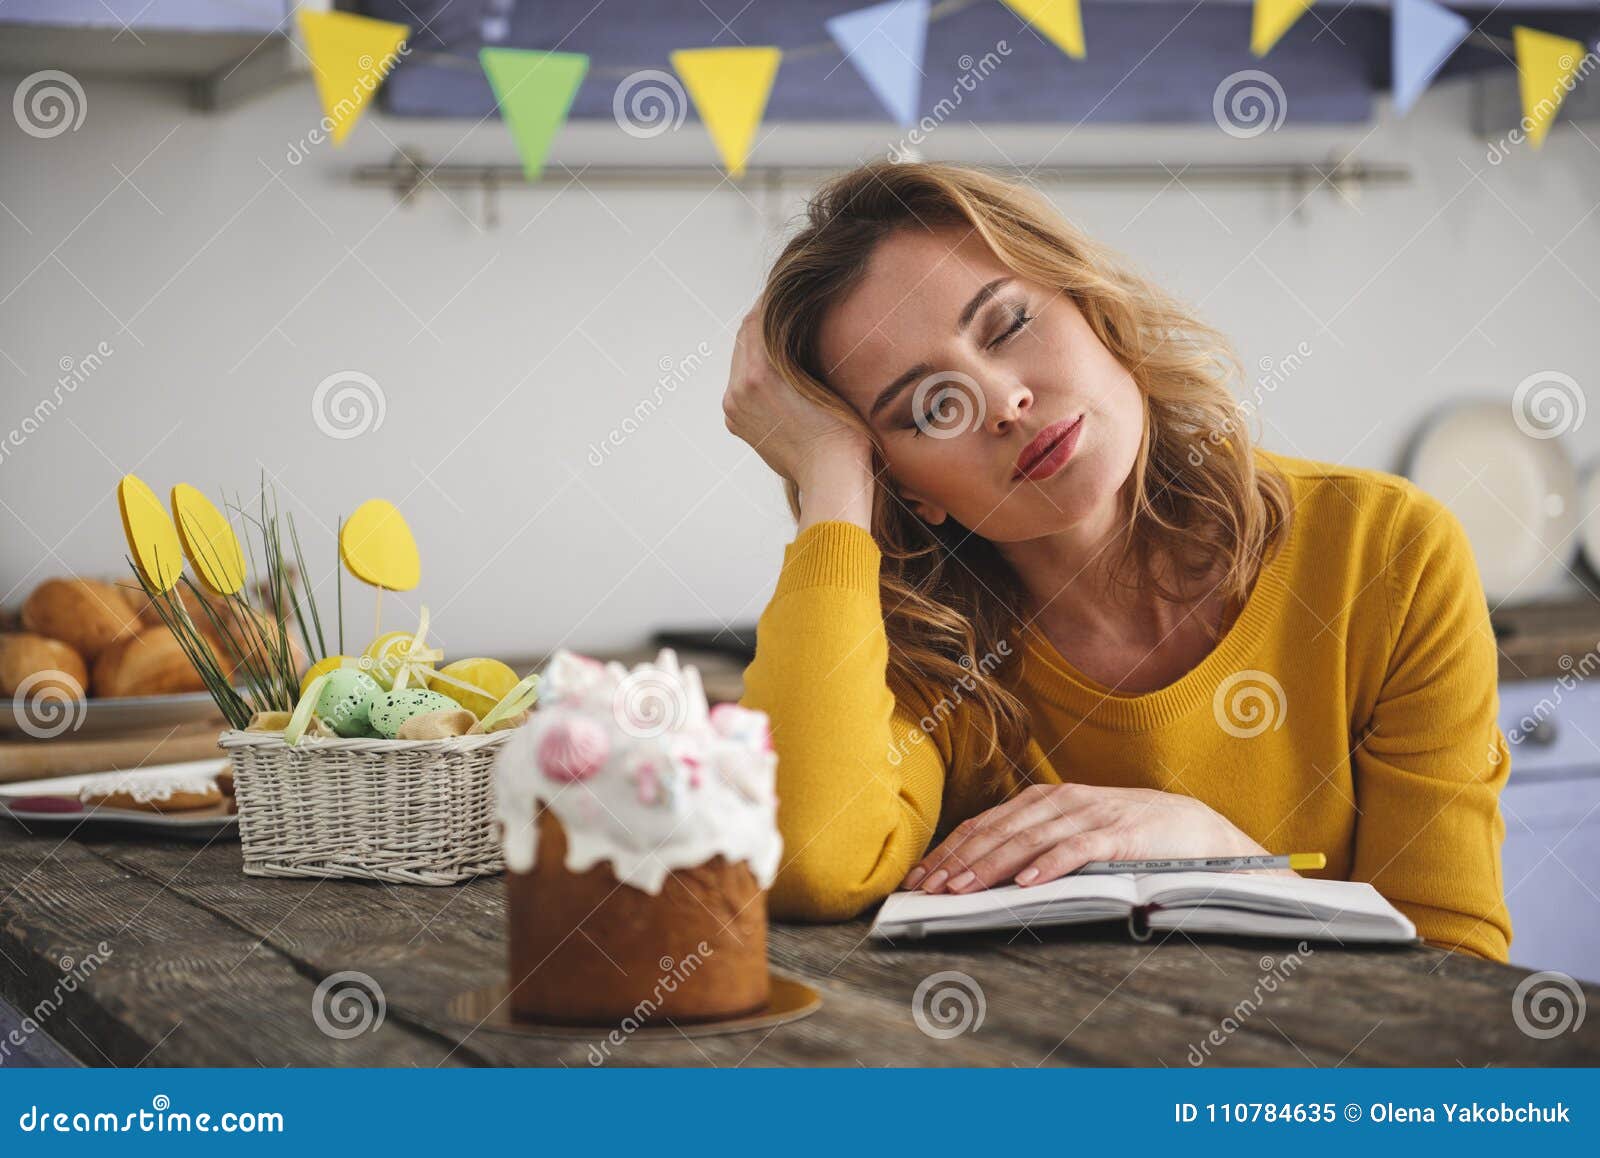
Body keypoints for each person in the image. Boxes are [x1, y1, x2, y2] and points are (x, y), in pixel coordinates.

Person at [721, 161, 1510, 961]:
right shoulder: (920, 652)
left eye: (1006, 326)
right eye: (930, 407)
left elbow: (1460, 969)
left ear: (1092, 305)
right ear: (906, 486)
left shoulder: (1386, 552)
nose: (1001, 403)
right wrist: (828, 468)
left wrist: (1223, 858)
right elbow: (809, 861)